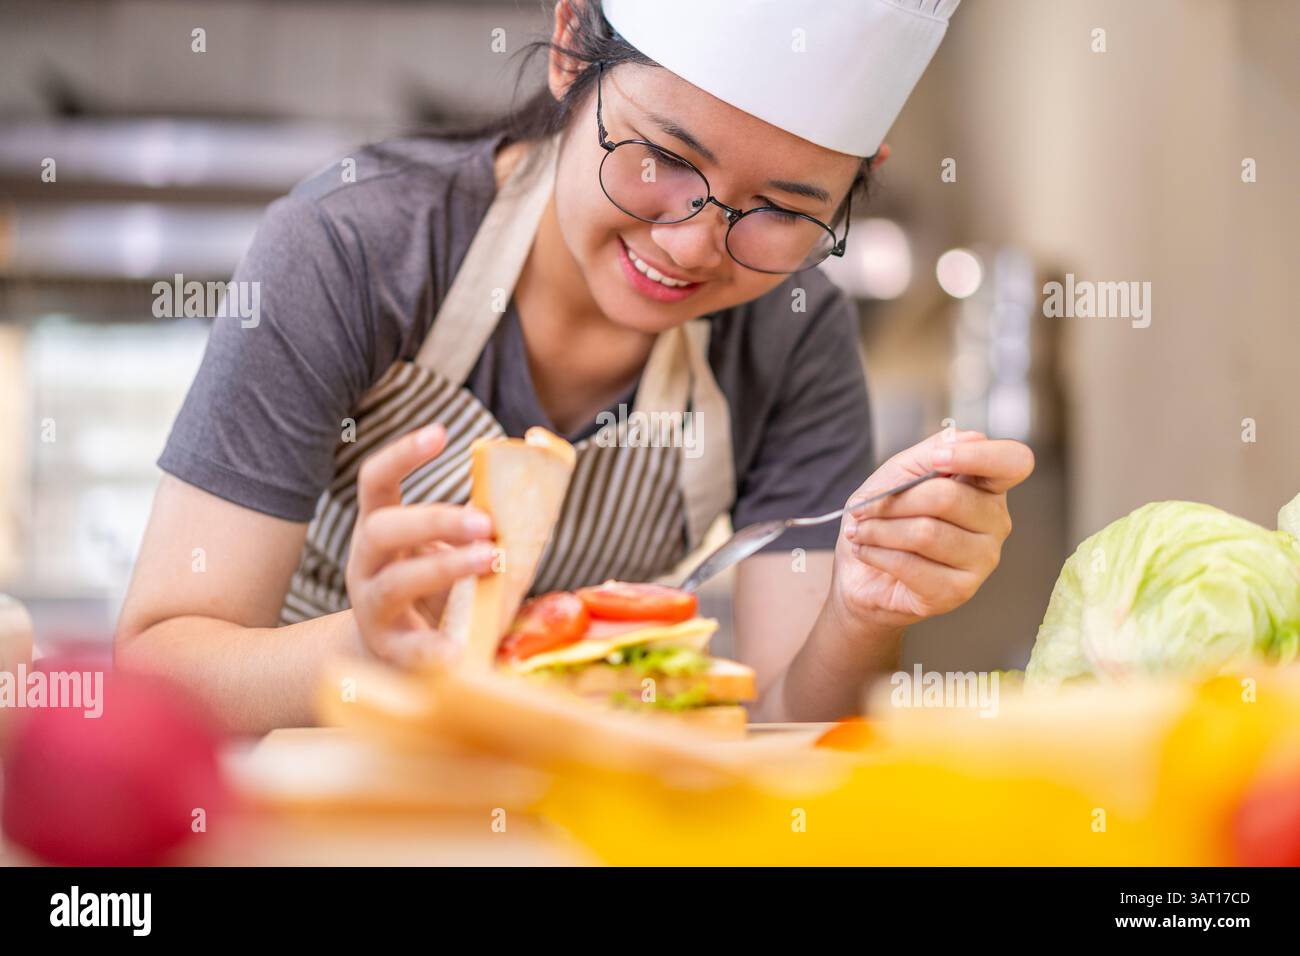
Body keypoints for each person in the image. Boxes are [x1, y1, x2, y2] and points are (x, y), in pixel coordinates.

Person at [117, 0, 1032, 733]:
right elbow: (158, 668)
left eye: (783, 211)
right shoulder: (349, 249)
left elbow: (790, 721)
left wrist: (863, 614)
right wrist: (367, 646)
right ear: (568, 46)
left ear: (857, 179)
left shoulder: (792, 331)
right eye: (663, 158)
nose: (691, 246)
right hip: (327, 786)